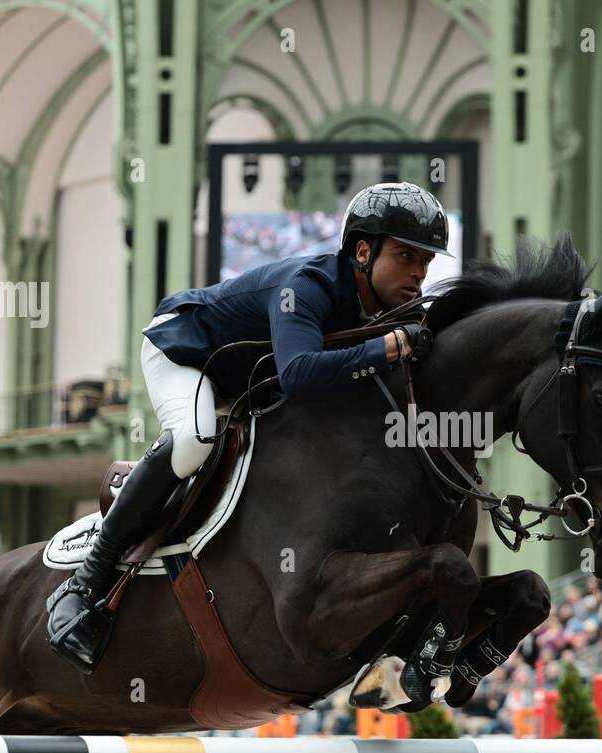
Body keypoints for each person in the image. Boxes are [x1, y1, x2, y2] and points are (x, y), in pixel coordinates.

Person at [45, 182, 452, 673]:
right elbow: (301, 375)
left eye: (426, 261)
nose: (418, 272)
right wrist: (388, 347)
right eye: (407, 256)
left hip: (252, 381)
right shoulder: (307, 287)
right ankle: (86, 582)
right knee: (194, 441)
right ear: (363, 251)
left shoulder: (386, 308)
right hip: (186, 352)